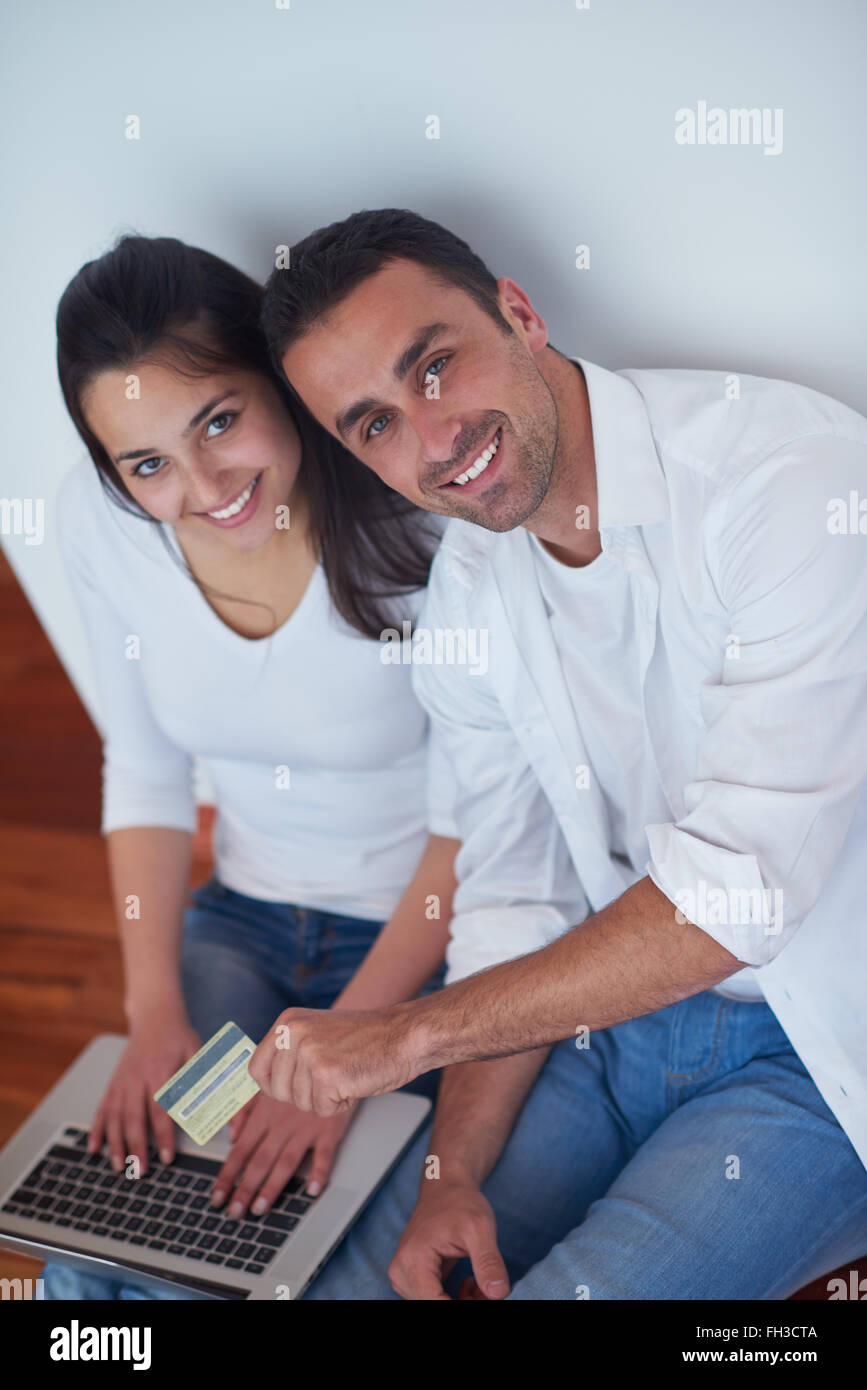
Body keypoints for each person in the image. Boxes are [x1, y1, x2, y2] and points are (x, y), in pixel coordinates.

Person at [252, 207, 867, 1300]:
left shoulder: (786, 479)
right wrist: (453, 1170)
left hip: (815, 1048)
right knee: (350, 1289)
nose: (432, 440)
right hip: (607, 1019)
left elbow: (738, 898)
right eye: (374, 425)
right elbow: (512, 892)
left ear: (519, 313)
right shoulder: (472, 589)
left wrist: (402, 1038)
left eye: (435, 366)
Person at [40, 233, 459, 1300]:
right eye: (147, 465)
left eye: (218, 420)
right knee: (106, 1242)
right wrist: (154, 1013)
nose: (204, 486)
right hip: (245, 926)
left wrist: (352, 1054)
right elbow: (142, 767)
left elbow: (481, 824)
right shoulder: (104, 530)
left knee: (279, 1255)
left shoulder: (418, 524)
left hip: (420, 958)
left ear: (277, 378)